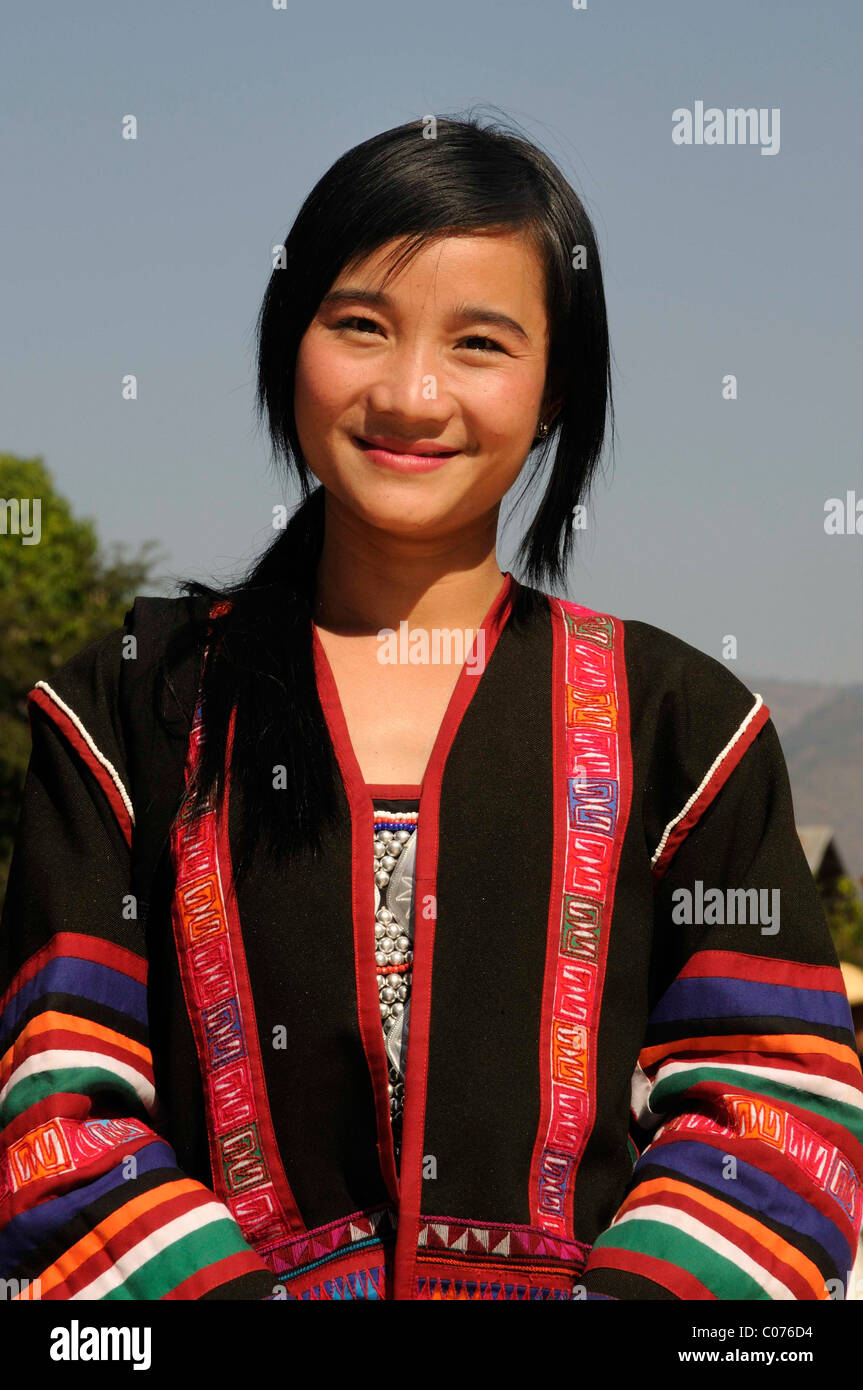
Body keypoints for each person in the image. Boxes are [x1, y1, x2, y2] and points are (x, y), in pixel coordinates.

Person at [2, 113, 862, 1303]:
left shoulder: (682, 727)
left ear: (557, 388)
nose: (411, 393)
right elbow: (55, 1115)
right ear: (286, 342)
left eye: (479, 342)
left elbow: (781, 1118)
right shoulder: (128, 711)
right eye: (359, 324)